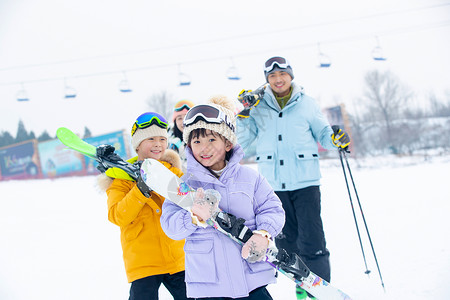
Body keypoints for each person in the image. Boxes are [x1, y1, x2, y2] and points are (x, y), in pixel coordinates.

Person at [236, 56, 351, 300]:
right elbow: (243, 142)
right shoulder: (258, 107)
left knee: (312, 239)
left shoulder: (306, 103)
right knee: (287, 243)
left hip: (305, 182)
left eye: (282, 75)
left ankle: (320, 290)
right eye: (272, 77)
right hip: (273, 186)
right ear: (267, 80)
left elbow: (323, 133)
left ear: (290, 76)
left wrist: (335, 139)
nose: (278, 80)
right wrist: (244, 114)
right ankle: (301, 283)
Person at [160, 95, 285, 299]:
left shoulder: (250, 178)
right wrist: (192, 217)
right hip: (210, 286)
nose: (204, 147)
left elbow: (272, 209)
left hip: (251, 281)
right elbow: (170, 226)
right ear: (189, 146)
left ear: (227, 143)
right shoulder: (184, 185)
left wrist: (263, 234)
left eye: (211, 139)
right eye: (197, 141)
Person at [97, 112, 190, 300]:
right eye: (151, 139)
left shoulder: (174, 173)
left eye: (163, 138)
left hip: (178, 259)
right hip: (143, 263)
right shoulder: (121, 179)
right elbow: (118, 215)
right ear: (138, 144)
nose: (158, 144)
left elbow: (189, 204)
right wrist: (140, 189)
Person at [168, 100, 195, 172]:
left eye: (187, 117)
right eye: (179, 118)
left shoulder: (204, 139)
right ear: (175, 121)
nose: (183, 122)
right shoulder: (168, 143)